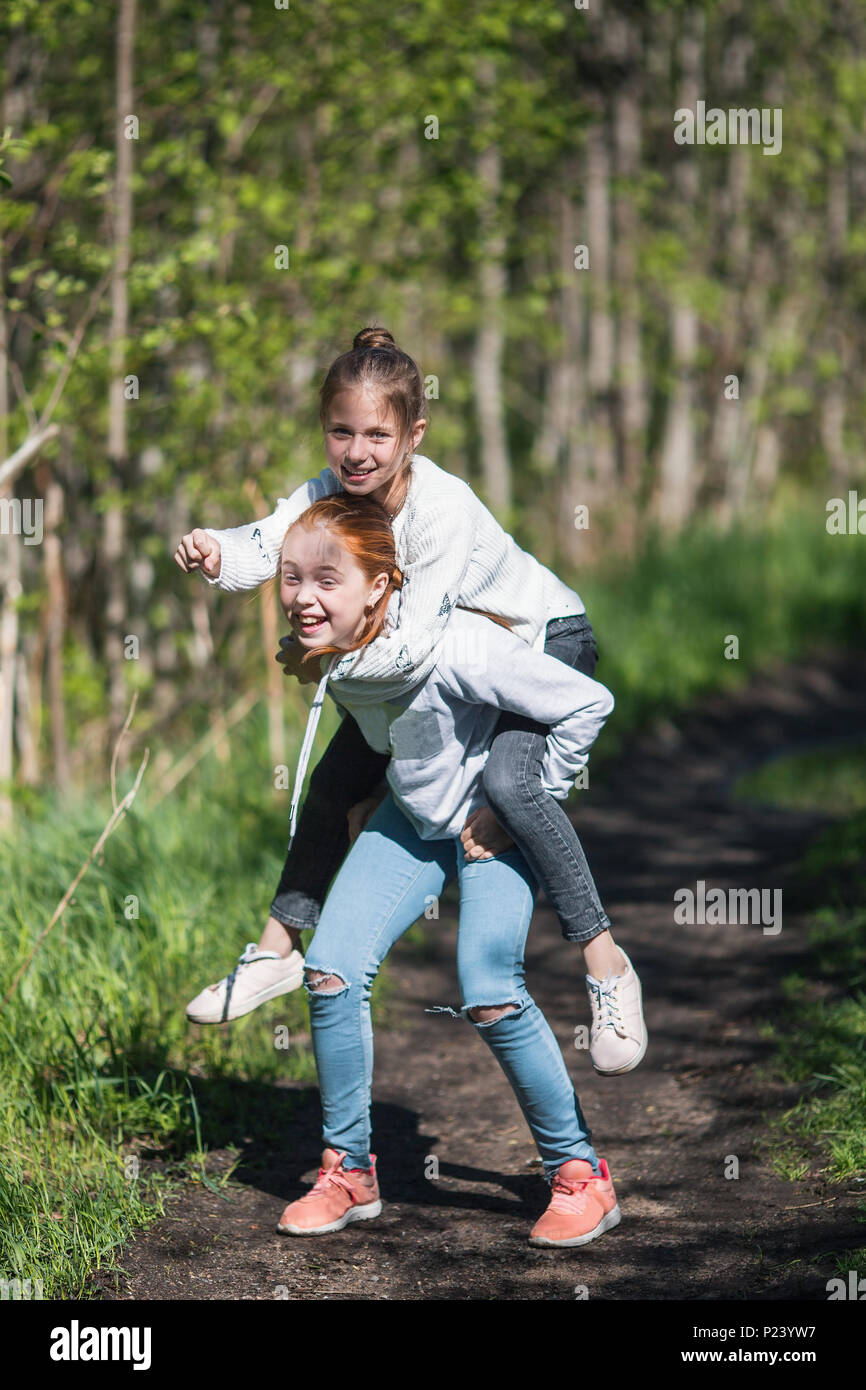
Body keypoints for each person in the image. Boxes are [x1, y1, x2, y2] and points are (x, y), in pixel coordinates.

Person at [178, 325, 646, 1075]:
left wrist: (317, 658)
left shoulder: (442, 510)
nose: (356, 452)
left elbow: (417, 647)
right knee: (335, 783)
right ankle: (275, 951)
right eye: (340, 432)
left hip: (539, 639)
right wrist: (216, 553)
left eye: (376, 435)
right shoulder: (329, 493)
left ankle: (606, 964)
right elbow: (268, 544)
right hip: (431, 668)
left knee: (511, 783)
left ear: (413, 435)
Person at [269, 493, 621, 1247]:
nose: (303, 597)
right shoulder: (335, 652)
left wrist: (518, 798)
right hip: (412, 818)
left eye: (326, 580)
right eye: (291, 578)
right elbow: (388, 728)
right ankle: (349, 1171)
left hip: (491, 825)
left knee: (489, 989)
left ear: (382, 584)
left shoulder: (457, 644)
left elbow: (588, 703)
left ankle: (580, 1175)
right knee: (328, 969)